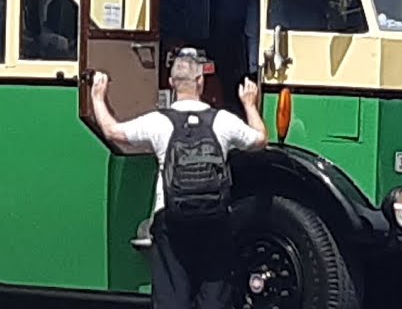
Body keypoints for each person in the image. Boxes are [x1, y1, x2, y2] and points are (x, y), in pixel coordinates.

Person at [89, 55, 268, 309]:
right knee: (214, 297)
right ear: (200, 82)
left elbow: (112, 132)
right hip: (214, 220)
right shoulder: (223, 121)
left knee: (172, 296)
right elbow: (260, 140)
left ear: (172, 82)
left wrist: (98, 97)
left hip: (170, 220)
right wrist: (249, 104)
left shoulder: (158, 122)